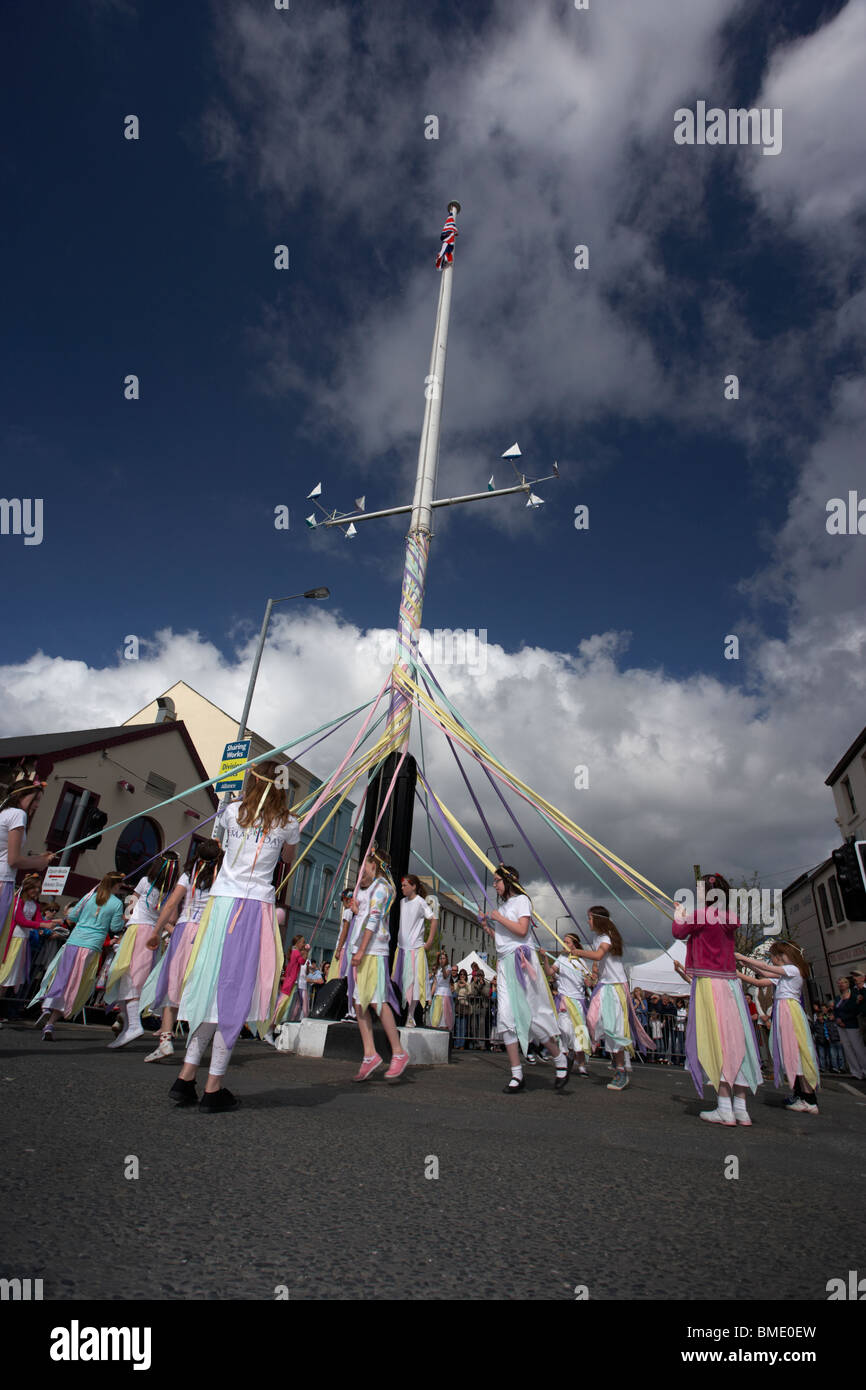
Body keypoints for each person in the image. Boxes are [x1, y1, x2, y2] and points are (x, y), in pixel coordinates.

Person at [171, 761, 300, 1111]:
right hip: (254, 908)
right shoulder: (289, 823)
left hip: (220, 906)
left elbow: (226, 845)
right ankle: (212, 1087)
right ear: (282, 786)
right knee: (234, 990)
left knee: (210, 983)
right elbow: (288, 859)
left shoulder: (230, 812)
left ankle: (185, 1078)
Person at [671, 873, 761, 1126]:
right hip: (731, 984)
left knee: (716, 1040)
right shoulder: (730, 918)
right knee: (737, 1041)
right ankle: (741, 1109)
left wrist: (680, 913)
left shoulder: (702, 915)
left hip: (710, 985)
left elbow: (678, 931)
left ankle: (724, 1107)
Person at [478, 865, 567, 1094]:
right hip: (505, 963)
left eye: (497, 880)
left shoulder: (522, 901)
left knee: (532, 1016)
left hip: (521, 963)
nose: (495, 884)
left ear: (509, 881)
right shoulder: (505, 906)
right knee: (506, 1018)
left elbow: (522, 930)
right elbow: (504, 939)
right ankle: (517, 1074)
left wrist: (497, 917)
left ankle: (559, 1059)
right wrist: (489, 927)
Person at [139, 839, 222, 1062]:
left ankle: (166, 1040)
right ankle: (196, 1041)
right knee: (201, 983)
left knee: (173, 980)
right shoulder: (221, 877)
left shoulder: (188, 875)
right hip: (208, 933)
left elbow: (169, 905)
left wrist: (156, 931)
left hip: (185, 930)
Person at [32, 873, 126, 1038]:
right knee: (74, 982)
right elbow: (115, 926)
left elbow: (72, 916)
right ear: (116, 885)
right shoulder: (116, 903)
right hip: (92, 945)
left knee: (62, 976)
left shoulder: (89, 896)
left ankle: (48, 1007)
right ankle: (51, 1022)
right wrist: (123, 920)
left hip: (75, 940)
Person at [571, 906, 653, 1090]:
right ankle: (604, 1054)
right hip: (604, 985)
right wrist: (595, 974)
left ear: (598, 919)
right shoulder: (599, 937)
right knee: (592, 1020)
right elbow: (600, 961)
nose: (588, 921)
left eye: (590, 918)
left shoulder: (606, 937)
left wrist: (578, 952)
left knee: (614, 1029)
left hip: (615, 988)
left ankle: (621, 1070)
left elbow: (599, 955)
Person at [104, 853, 180, 1049]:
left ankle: (134, 1026)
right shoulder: (170, 891)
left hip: (138, 932)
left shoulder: (145, 881)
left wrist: (127, 917)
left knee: (128, 976)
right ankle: (128, 1026)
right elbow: (171, 919)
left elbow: (133, 899)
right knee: (130, 977)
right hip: (151, 935)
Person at [736, 942, 820, 1114]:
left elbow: (766, 968)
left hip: (789, 1011)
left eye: (776, 956)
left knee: (797, 1051)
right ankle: (801, 1094)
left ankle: (808, 1099)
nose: (774, 959)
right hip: (784, 1011)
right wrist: (745, 967)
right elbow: (762, 977)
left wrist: (743, 958)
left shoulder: (793, 969)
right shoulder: (785, 974)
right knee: (790, 1051)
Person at [350, 849, 409, 1081]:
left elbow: (375, 919)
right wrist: (357, 910)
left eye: (367, 863)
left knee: (377, 1001)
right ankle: (369, 1054)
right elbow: (367, 915)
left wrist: (362, 949)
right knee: (359, 1003)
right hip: (363, 951)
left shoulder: (381, 888)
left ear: (376, 865)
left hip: (373, 951)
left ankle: (398, 1052)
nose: (363, 867)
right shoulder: (369, 889)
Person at [0, 783, 57, 1010]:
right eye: (34, 801)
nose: (35, 807)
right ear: (22, 796)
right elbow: (14, 860)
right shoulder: (17, 815)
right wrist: (40, 862)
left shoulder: (3, 813)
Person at [392, 875, 436, 1027]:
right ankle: (398, 1013)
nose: (402, 888)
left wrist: (429, 941)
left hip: (415, 949)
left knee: (415, 983)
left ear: (414, 886)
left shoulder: (420, 902)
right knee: (399, 981)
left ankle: (410, 1015)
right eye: (402, 885)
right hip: (402, 948)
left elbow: (433, 918)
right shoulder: (402, 902)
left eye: (405, 885)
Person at [549, 933, 591, 1075]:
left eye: (567, 942)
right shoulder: (560, 959)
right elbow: (550, 972)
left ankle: (582, 1066)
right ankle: (566, 1060)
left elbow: (588, 981)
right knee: (564, 1030)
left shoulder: (581, 962)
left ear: (574, 944)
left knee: (580, 1033)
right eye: (564, 941)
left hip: (578, 1002)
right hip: (564, 1001)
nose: (564, 944)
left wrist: (590, 981)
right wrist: (544, 957)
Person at [833, 976, 866, 1080]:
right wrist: (838, 1019)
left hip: (851, 1024)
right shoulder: (838, 998)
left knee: (858, 1047)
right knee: (847, 1049)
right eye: (839, 982)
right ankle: (856, 1072)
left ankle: (865, 1069)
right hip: (841, 1026)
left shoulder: (854, 996)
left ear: (848, 984)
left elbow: (855, 1011)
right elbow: (835, 1011)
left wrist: (844, 1020)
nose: (841, 984)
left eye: (844, 982)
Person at [430, 950, 454, 1031]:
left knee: (445, 1016)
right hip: (438, 993)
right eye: (440, 958)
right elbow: (435, 983)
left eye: (443, 958)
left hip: (445, 994)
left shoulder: (448, 967)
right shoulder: (437, 969)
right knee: (436, 1016)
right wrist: (430, 996)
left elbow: (445, 976)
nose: (442, 960)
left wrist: (443, 967)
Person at [453, 969, 471, 1050]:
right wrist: (458, 987)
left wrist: (465, 984)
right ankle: (457, 1043)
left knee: (463, 1026)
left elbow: (470, 992)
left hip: (464, 1006)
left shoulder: (468, 984)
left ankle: (462, 1044)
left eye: (464, 974)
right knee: (457, 1026)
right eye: (461, 974)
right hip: (457, 1006)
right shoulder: (456, 984)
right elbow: (454, 993)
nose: (462, 976)